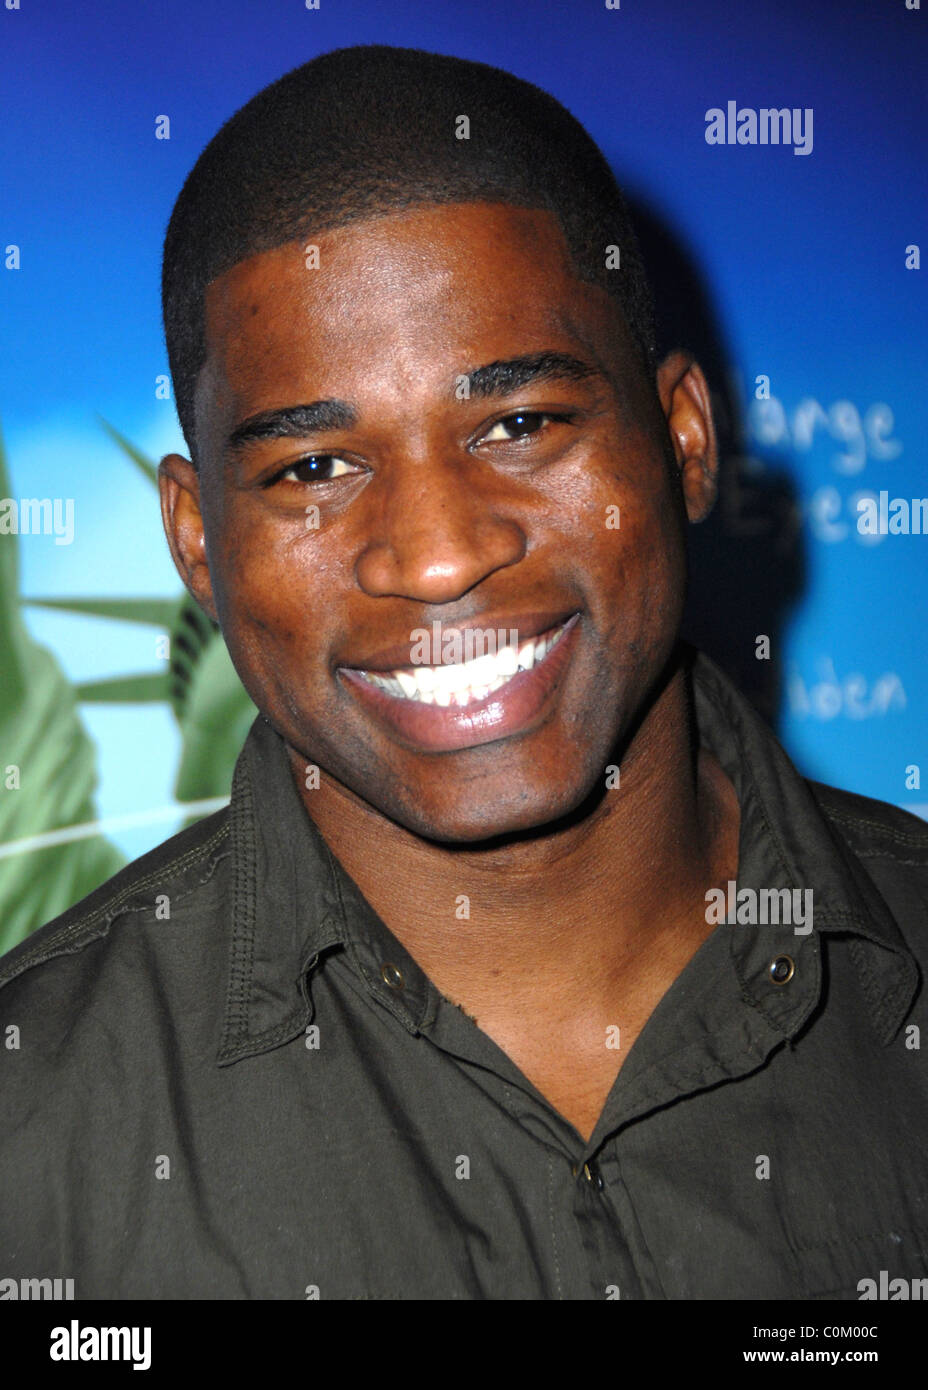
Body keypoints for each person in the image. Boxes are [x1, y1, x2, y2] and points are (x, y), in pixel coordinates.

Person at [2, 44, 926, 1302]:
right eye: (313, 468)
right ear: (195, 542)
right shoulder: (32, 1131)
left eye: (519, 424)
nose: (437, 560)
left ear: (686, 440)